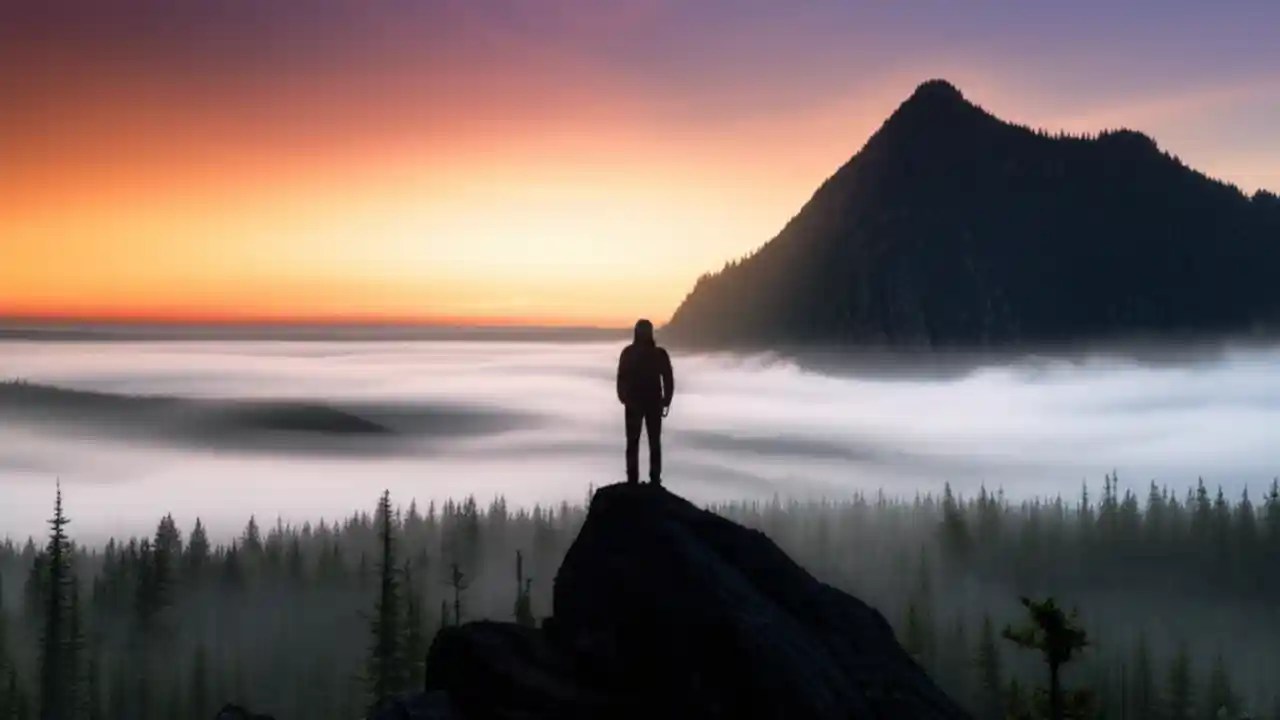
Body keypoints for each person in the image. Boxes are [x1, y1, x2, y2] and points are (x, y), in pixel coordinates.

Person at [616, 319, 674, 485]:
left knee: (640, 442)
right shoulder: (658, 354)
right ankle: (648, 479)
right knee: (648, 442)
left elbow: (621, 377)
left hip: (641, 403)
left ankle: (639, 479)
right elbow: (668, 378)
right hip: (646, 402)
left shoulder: (629, 353)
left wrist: (623, 396)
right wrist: (666, 399)